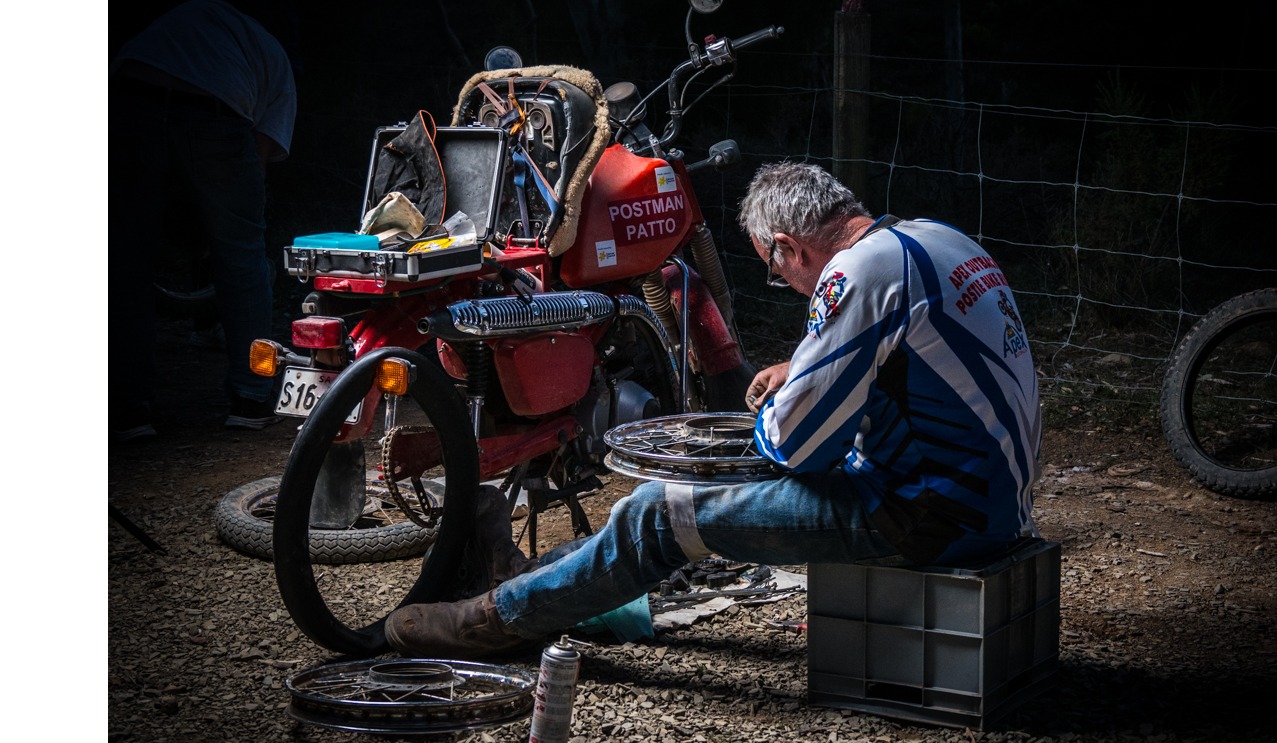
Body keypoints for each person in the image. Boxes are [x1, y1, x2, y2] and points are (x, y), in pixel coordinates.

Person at [384, 162, 1043, 658]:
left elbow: (796, 447)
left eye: (776, 269)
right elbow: (916, 360)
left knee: (657, 511)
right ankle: (535, 583)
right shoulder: (931, 239)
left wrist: (755, 426)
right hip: (990, 500)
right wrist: (802, 371)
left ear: (790, 246)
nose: (786, 284)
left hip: (929, 517)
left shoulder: (856, 273)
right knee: (655, 511)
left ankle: (494, 623)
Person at [109, 0, 297, 441]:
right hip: (216, 109)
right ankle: (251, 397)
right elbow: (257, 161)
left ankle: (127, 406)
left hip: (130, 94)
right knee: (243, 256)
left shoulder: (187, 19)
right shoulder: (276, 66)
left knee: (125, 260)